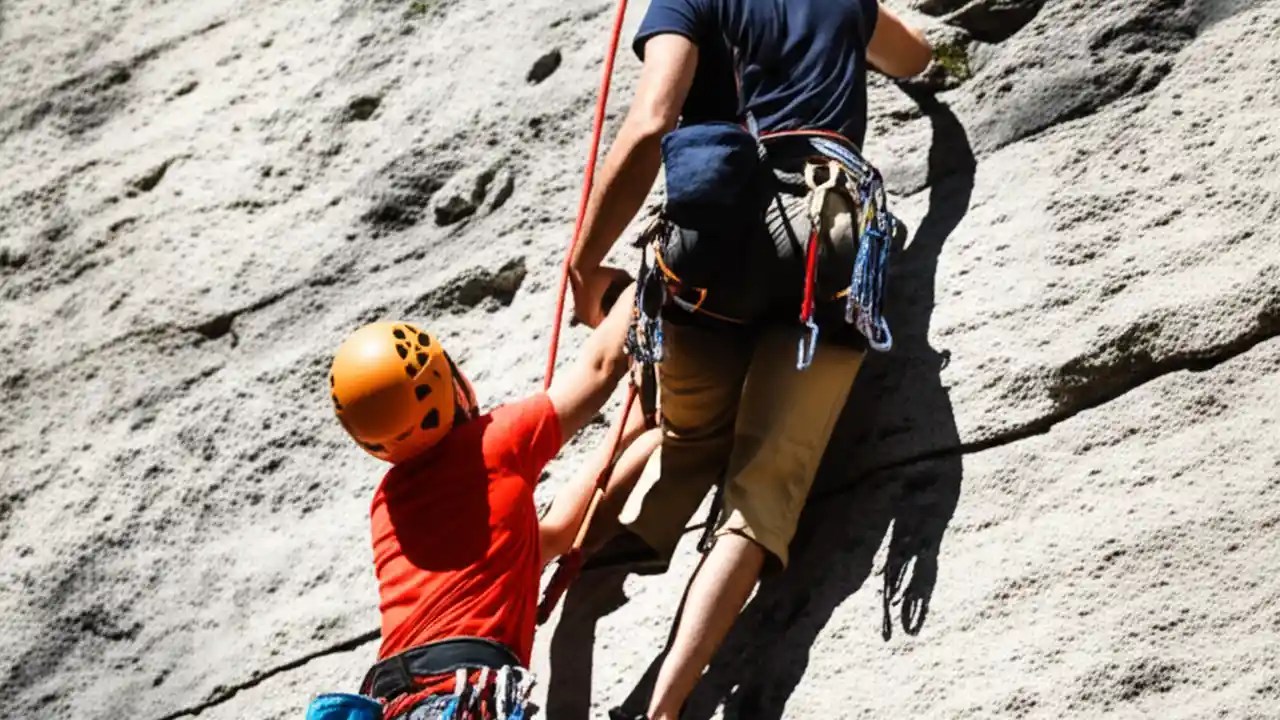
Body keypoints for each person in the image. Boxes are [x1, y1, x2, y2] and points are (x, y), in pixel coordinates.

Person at [567, 1, 933, 718]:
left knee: (684, 438)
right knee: (761, 493)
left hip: (715, 243)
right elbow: (914, 56)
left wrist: (583, 266)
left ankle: (583, 585)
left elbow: (650, 123)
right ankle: (662, 710)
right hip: (825, 246)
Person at [319, 281, 640, 719]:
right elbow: (603, 365)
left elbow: (547, 541)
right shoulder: (494, 441)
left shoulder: (386, 505)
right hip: (461, 694)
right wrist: (659, 258)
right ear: (444, 382)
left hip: (395, 702)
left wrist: (634, 431)